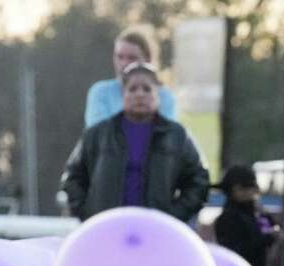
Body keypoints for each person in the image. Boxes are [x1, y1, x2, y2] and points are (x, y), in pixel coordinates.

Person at [61, 61, 209, 223]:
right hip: (106, 230)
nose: (140, 94)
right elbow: (73, 177)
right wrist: (88, 213)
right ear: (123, 94)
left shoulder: (177, 136)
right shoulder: (97, 134)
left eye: (147, 89)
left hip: (156, 232)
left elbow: (199, 179)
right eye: (132, 89)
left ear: (157, 94)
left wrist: (174, 216)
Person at [84, 26, 178, 127]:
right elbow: (99, 133)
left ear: (147, 60)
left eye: (132, 58)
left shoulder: (165, 97)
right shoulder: (100, 92)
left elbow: (165, 136)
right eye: (119, 57)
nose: (124, 64)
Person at [212, 164, 281, 266]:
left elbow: (269, 226)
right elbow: (237, 251)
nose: (254, 193)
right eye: (250, 188)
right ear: (236, 190)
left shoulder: (254, 213)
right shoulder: (228, 218)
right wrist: (266, 239)